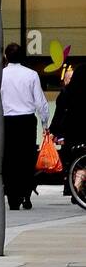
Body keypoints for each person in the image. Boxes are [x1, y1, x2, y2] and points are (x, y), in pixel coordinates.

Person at [0, 42, 50, 210]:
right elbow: (40, 102)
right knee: (26, 158)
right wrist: (45, 123)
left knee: (9, 159)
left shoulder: (0, 75)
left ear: (6, 56)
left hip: (7, 121)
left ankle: (12, 197)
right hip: (27, 121)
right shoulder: (31, 75)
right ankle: (26, 194)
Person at [49, 65, 84, 198]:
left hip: (72, 131)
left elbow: (60, 113)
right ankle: (78, 188)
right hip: (80, 131)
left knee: (72, 159)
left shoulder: (67, 92)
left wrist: (54, 130)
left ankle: (71, 188)